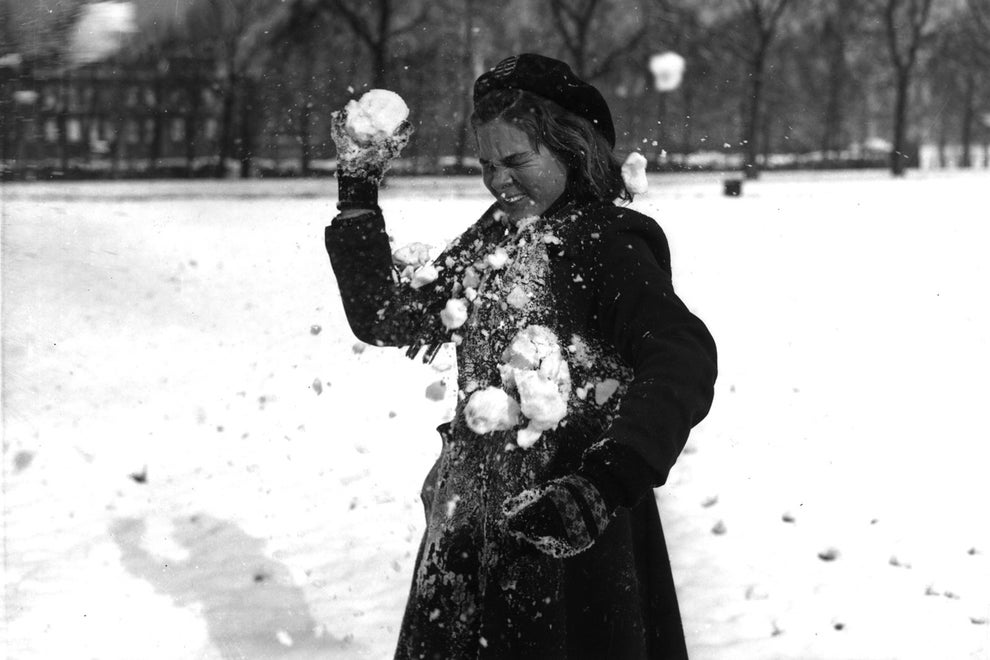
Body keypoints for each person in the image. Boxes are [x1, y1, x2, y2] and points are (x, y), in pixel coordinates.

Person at [326, 53, 717, 659]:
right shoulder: (496, 238)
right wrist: (358, 186)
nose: (497, 180)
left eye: (515, 161)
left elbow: (682, 355)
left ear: (572, 151)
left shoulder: (605, 243)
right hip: (471, 529)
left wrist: (603, 483)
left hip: (568, 544)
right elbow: (386, 317)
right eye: (486, 163)